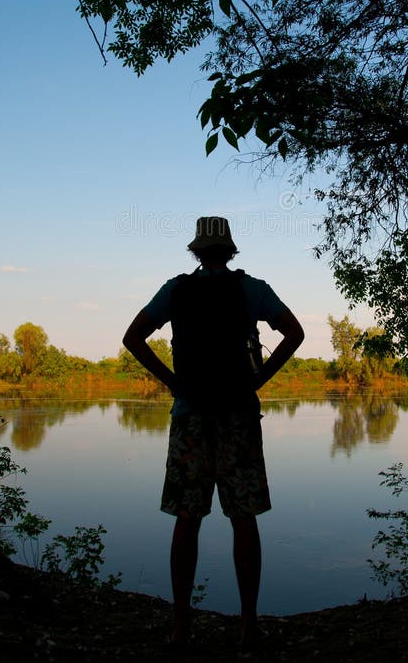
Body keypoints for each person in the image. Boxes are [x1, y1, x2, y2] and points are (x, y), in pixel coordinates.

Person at [123, 216, 304, 651]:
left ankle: (181, 628)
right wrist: (259, 381)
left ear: (197, 252)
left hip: (190, 416)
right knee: (244, 520)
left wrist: (172, 381)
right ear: (230, 251)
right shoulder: (252, 288)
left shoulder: (175, 289)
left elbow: (133, 338)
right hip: (239, 414)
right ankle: (248, 627)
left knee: (187, 521)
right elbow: (294, 333)